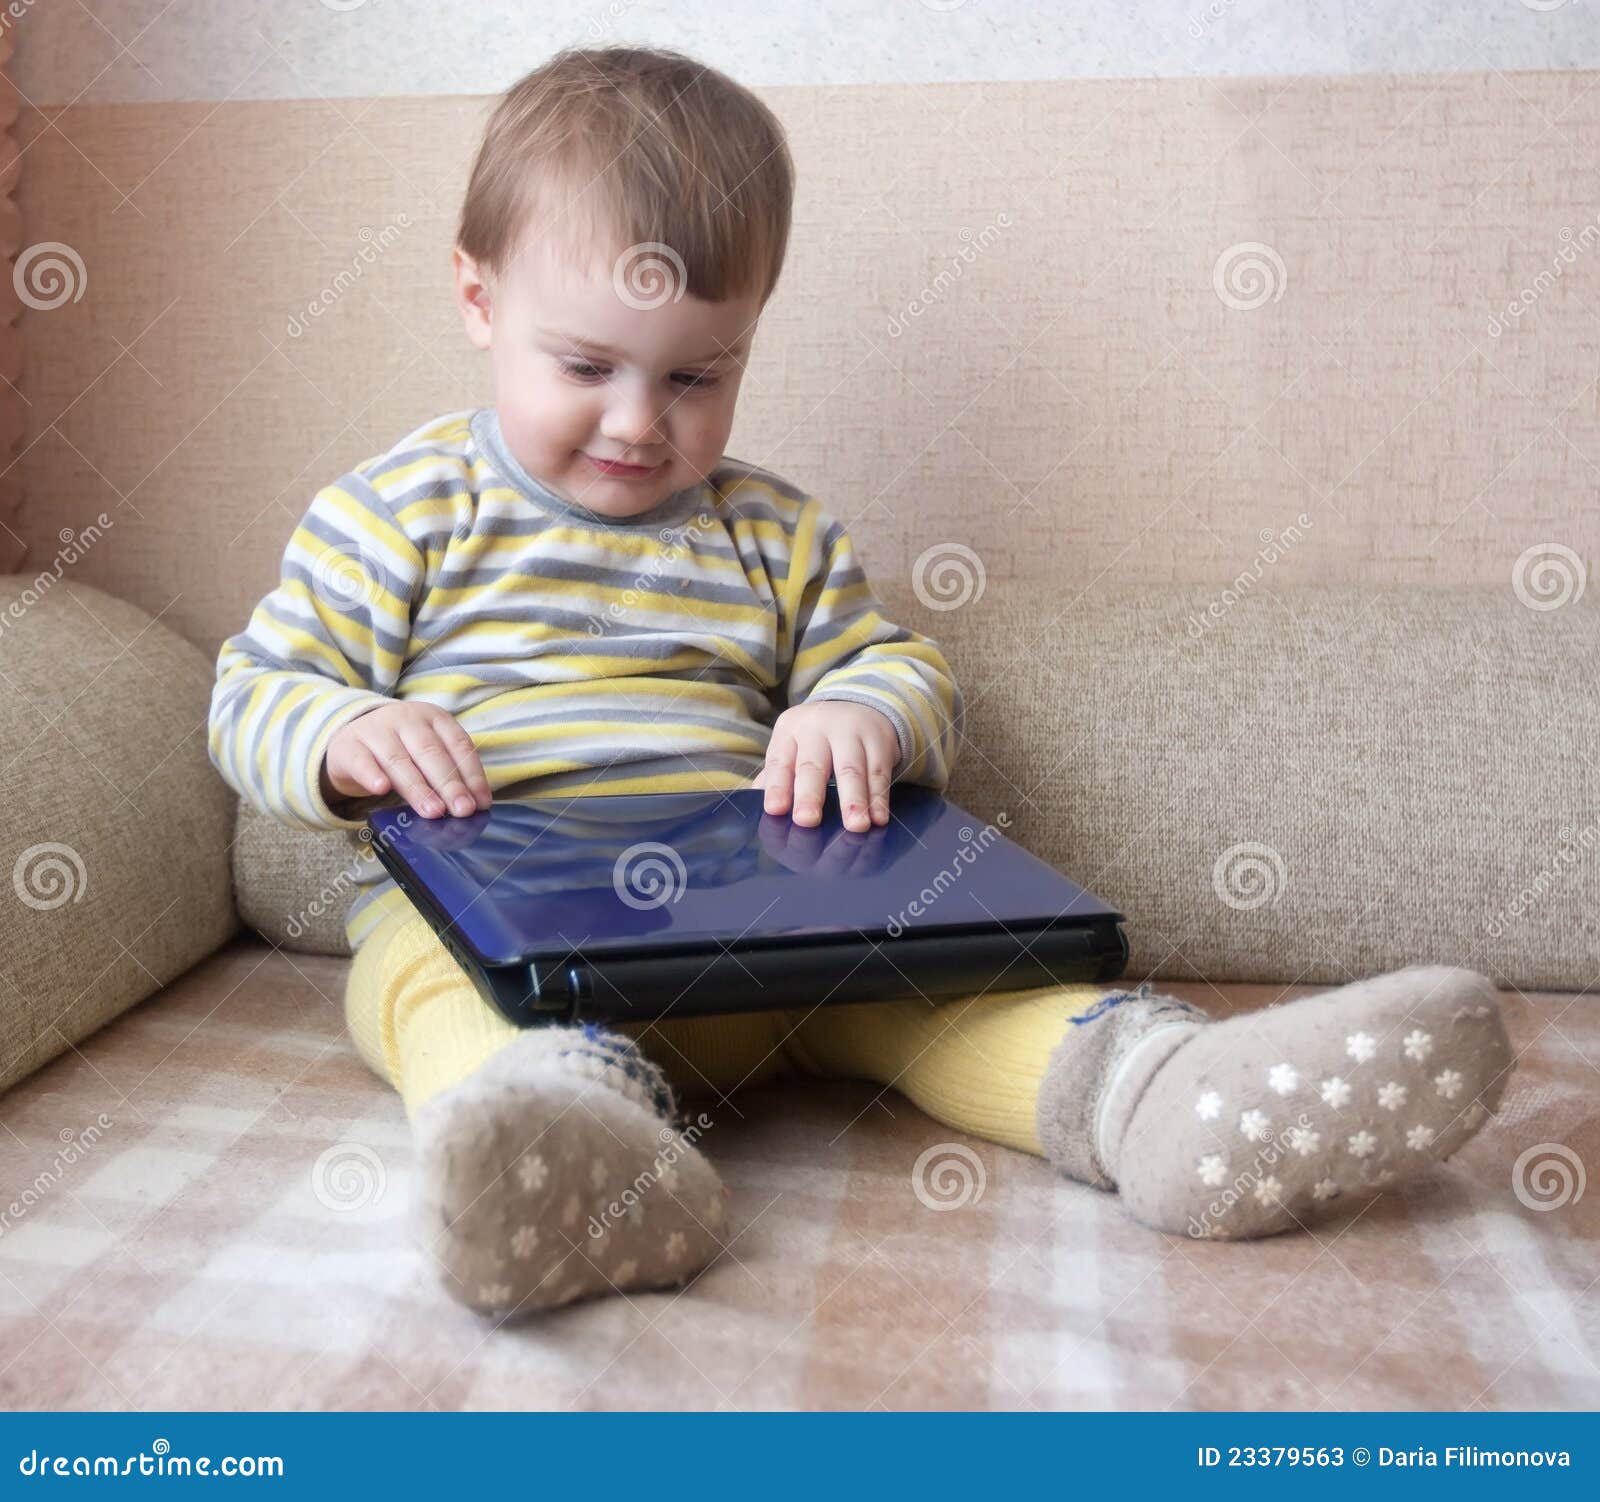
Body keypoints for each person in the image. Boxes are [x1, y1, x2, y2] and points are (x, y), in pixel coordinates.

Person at [207, 45, 1514, 1320]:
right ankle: (573, 1150)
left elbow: (895, 665)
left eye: (696, 376)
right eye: (587, 365)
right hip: (516, 948)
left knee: (956, 981)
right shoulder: (402, 513)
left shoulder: (774, 534)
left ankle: (1169, 1097)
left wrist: (860, 708)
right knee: (424, 985)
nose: (638, 421)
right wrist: (341, 729)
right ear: (478, 298)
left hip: (772, 945)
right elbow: (254, 688)